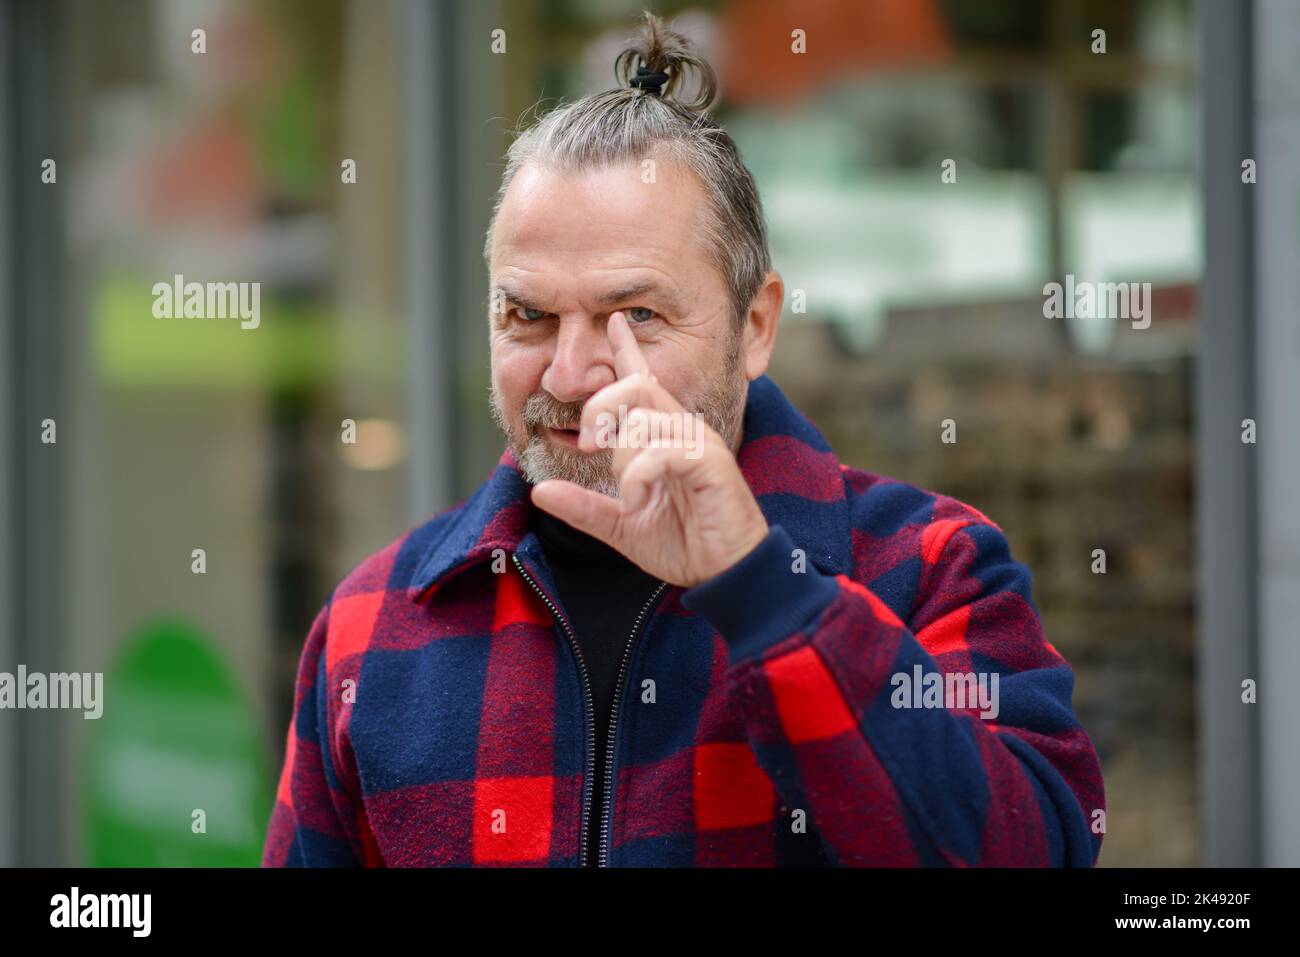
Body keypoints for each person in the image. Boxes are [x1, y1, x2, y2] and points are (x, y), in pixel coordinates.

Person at [262, 10, 1104, 867]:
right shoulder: (373, 625)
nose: (569, 374)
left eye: (635, 314)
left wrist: (765, 593)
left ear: (756, 325)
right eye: (528, 316)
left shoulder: (930, 569)